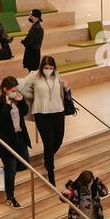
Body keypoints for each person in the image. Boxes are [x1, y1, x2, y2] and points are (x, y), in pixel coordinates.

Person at [20, 54, 69, 184]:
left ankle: (48, 160)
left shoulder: (56, 75)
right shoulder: (34, 75)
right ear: (42, 67)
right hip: (42, 114)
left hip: (58, 112)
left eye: (51, 67)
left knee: (58, 140)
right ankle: (50, 171)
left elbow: (61, 90)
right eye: (46, 67)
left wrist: (66, 87)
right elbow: (23, 88)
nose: (49, 70)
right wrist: (36, 96)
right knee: (48, 143)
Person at [0, 76, 31, 208]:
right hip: (5, 141)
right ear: (5, 89)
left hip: (19, 137)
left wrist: (21, 102)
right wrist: (6, 106)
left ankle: (4, 171)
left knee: (24, 164)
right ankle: (10, 197)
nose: (15, 92)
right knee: (11, 168)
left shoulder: (16, 97)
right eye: (12, 90)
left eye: (16, 90)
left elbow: (24, 113)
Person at [21, 8, 44, 73]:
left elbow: (28, 41)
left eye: (31, 16)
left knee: (32, 72)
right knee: (31, 71)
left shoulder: (36, 28)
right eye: (30, 15)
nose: (30, 17)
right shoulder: (36, 26)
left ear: (37, 17)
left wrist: (23, 41)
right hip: (33, 52)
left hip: (33, 53)